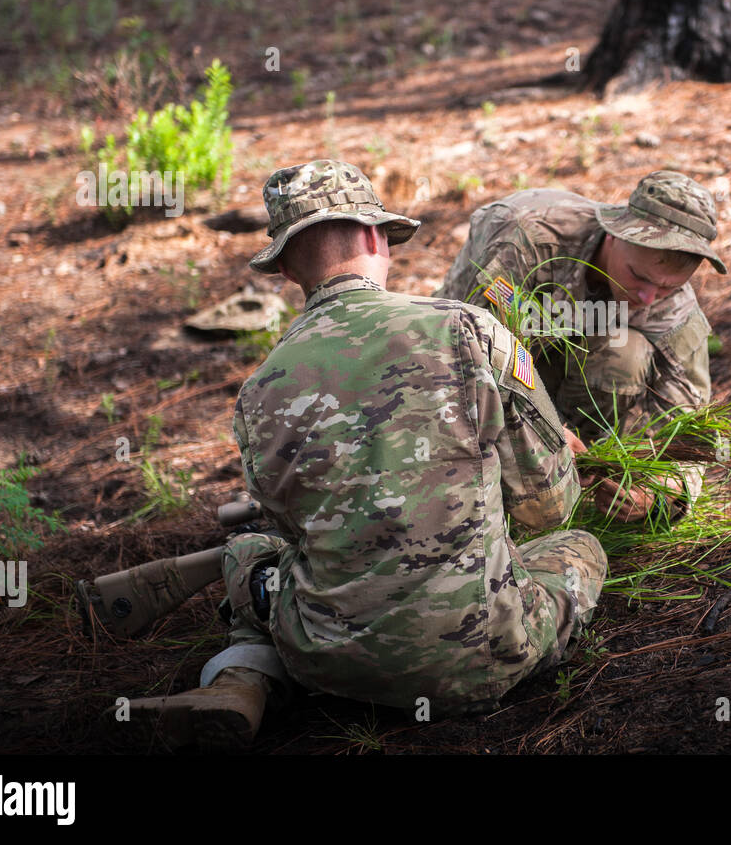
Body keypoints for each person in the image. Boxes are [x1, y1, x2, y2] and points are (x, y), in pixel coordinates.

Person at [118, 160, 607, 750]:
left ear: (286, 268)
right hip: (483, 658)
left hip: (327, 667)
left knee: (257, 555)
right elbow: (548, 509)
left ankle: (239, 680)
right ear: (377, 236)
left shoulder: (260, 389)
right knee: (581, 548)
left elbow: (294, 532)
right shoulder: (467, 329)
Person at [435, 171, 724, 522]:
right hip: (471, 366)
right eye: (639, 277)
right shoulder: (528, 240)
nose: (648, 299)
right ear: (614, 236)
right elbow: (470, 353)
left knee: (626, 353)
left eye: (666, 288)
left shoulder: (674, 304)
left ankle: (577, 474)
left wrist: (662, 493)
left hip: (561, 375)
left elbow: (689, 416)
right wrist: (548, 430)